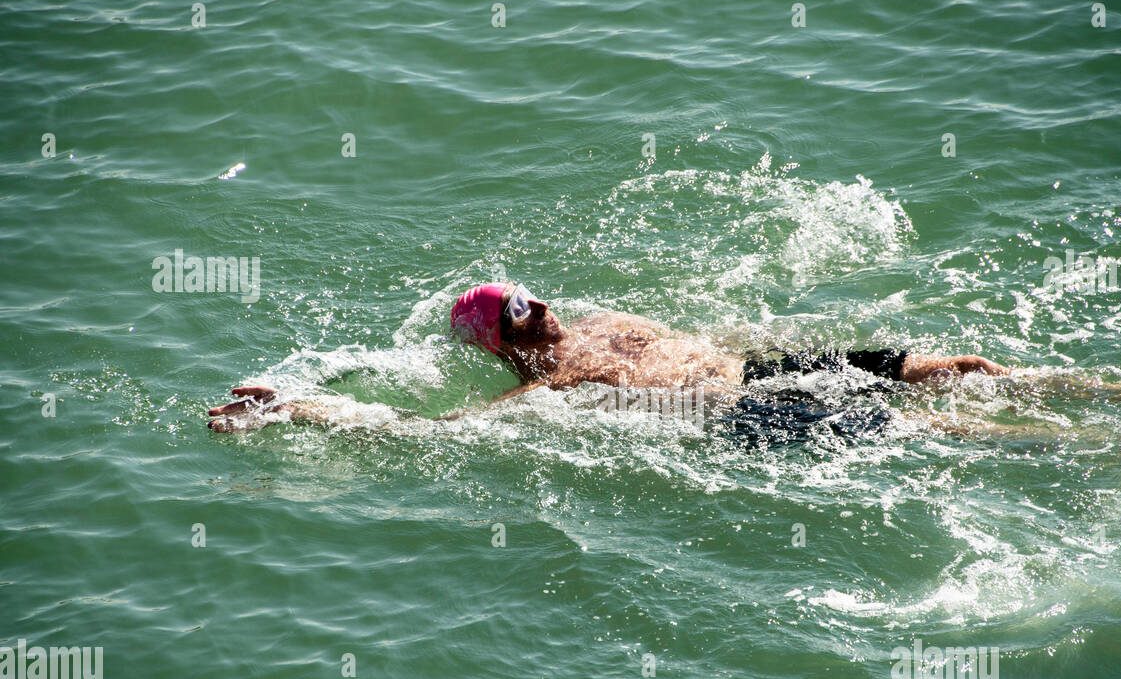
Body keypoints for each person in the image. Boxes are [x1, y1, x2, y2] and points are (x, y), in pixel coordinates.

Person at [206, 281, 1009, 437]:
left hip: (763, 366)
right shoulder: (545, 391)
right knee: (941, 428)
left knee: (968, 369)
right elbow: (419, 426)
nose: (540, 307)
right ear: (505, 343)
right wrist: (294, 405)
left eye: (528, 294)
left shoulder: (596, 319)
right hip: (744, 414)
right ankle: (1089, 446)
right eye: (519, 311)